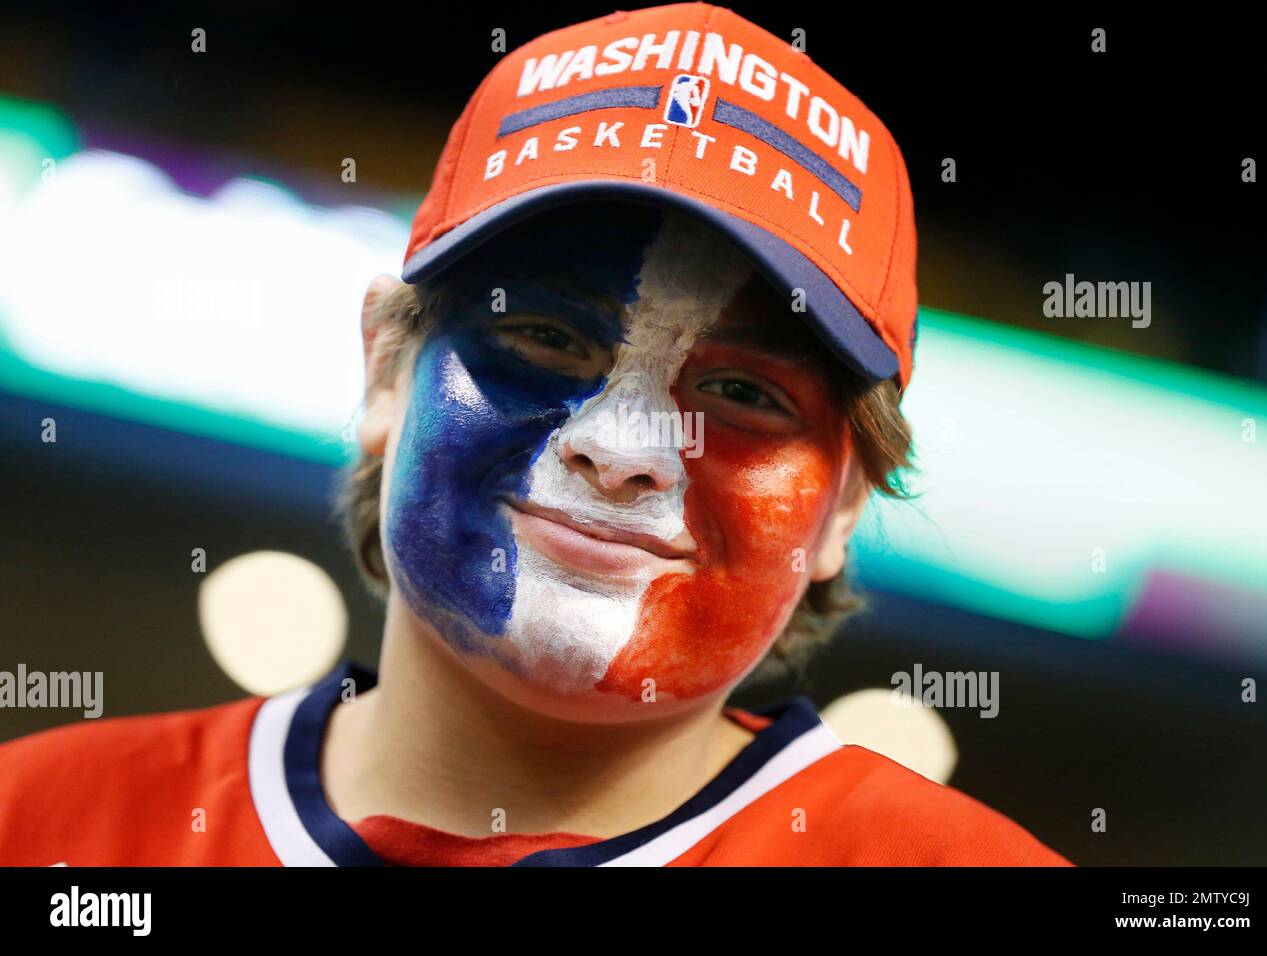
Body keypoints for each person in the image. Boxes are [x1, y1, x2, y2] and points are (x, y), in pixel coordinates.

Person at [0, 3, 1070, 867]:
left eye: (744, 389)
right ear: (386, 367)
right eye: (547, 334)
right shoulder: (38, 828)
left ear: (844, 501)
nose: (621, 447)